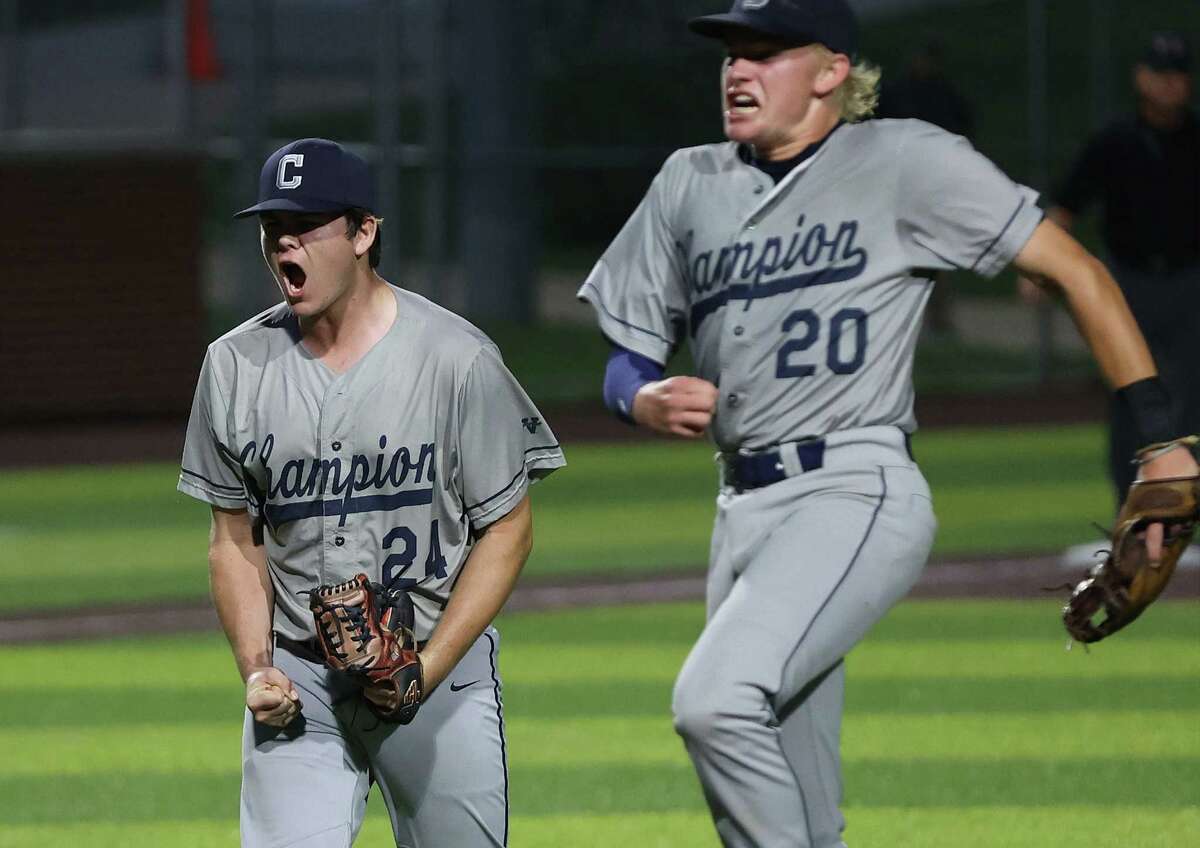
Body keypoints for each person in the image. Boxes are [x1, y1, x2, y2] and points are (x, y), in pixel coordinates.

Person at [576, 2, 1198, 846]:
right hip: (741, 513)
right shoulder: (691, 181)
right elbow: (627, 354)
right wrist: (640, 398)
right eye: (731, 52)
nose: (737, 70)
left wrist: (1159, 442)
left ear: (833, 71)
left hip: (855, 487)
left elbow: (1076, 270)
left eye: (765, 52)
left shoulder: (904, 160)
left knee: (715, 704)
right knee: (792, 798)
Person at [178, 137, 565, 846]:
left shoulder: (458, 360)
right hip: (302, 685)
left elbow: (508, 529)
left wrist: (427, 668)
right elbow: (233, 539)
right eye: (273, 229)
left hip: (438, 675)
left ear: (363, 232)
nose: (284, 242)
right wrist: (257, 668)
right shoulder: (233, 365)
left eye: (308, 225)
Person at [1019, 31, 1199, 506]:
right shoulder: (1114, 141)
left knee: (1194, 394)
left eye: (1178, 75)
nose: (1169, 85)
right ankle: (1132, 507)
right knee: (1132, 391)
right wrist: (1035, 266)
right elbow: (1066, 205)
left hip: (1190, 282)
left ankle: (1187, 506)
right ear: (1141, 77)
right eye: (1160, 74)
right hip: (1132, 282)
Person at [876, 40, 976, 336]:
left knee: (938, 253)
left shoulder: (944, 96)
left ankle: (938, 320)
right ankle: (901, 320)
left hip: (936, 185)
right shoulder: (898, 93)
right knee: (896, 253)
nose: (923, 65)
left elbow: (965, 131)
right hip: (899, 183)